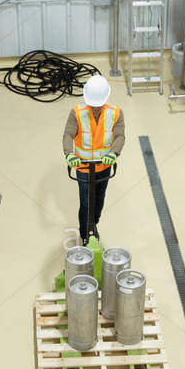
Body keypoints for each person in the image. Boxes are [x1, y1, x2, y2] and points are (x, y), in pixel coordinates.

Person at [63, 75, 123, 246]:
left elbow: (120, 135)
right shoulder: (76, 113)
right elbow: (68, 135)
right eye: (92, 105)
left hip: (104, 167)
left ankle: (93, 224)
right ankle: (85, 234)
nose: (95, 108)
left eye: (99, 105)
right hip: (82, 167)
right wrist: (70, 155)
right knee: (85, 202)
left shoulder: (116, 113)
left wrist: (114, 153)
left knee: (99, 201)